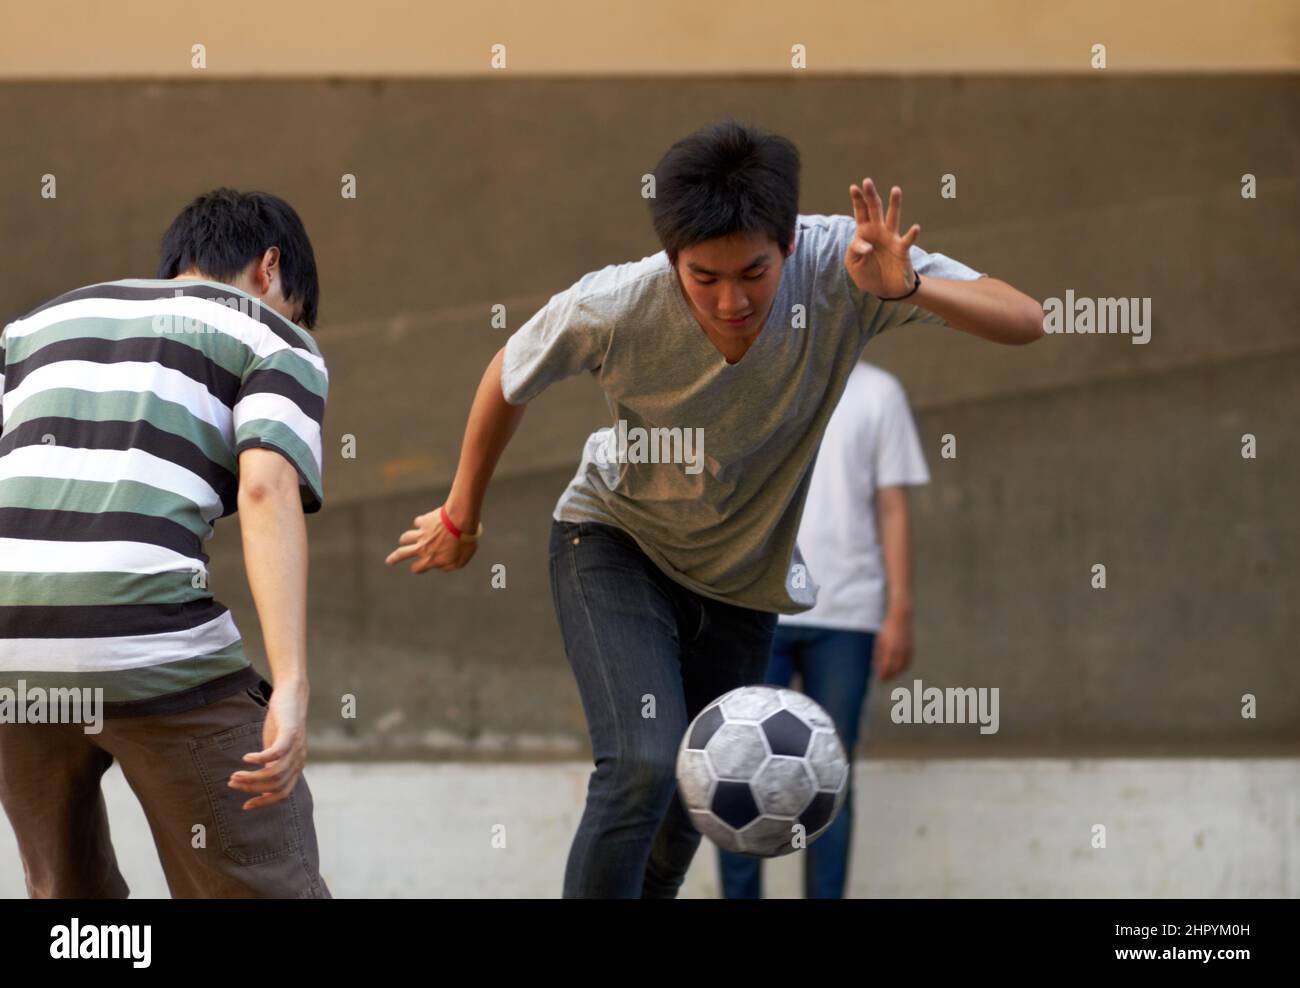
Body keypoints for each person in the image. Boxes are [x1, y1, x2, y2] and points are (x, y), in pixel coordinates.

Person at [386, 119, 1043, 898]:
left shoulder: (849, 266)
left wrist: (905, 289)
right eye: (704, 278)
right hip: (615, 542)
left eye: (754, 273)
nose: (732, 301)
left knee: (692, 805)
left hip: (741, 579)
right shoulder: (617, 303)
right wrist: (462, 513)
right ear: (673, 260)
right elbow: (507, 371)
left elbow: (1026, 319)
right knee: (640, 764)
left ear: (791, 243)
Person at [0, 189, 331, 898]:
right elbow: (266, 489)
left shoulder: (34, 326)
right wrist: (294, 684)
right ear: (270, 268)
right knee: (256, 882)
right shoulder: (273, 335)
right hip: (142, 634)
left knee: (67, 896)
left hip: (6, 648)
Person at [717, 360, 927, 898]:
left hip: (848, 616)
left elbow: (892, 507)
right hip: (754, 609)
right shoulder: (747, 384)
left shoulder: (880, 392)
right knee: (736, 775)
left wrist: (898, 609)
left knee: (829, 782)